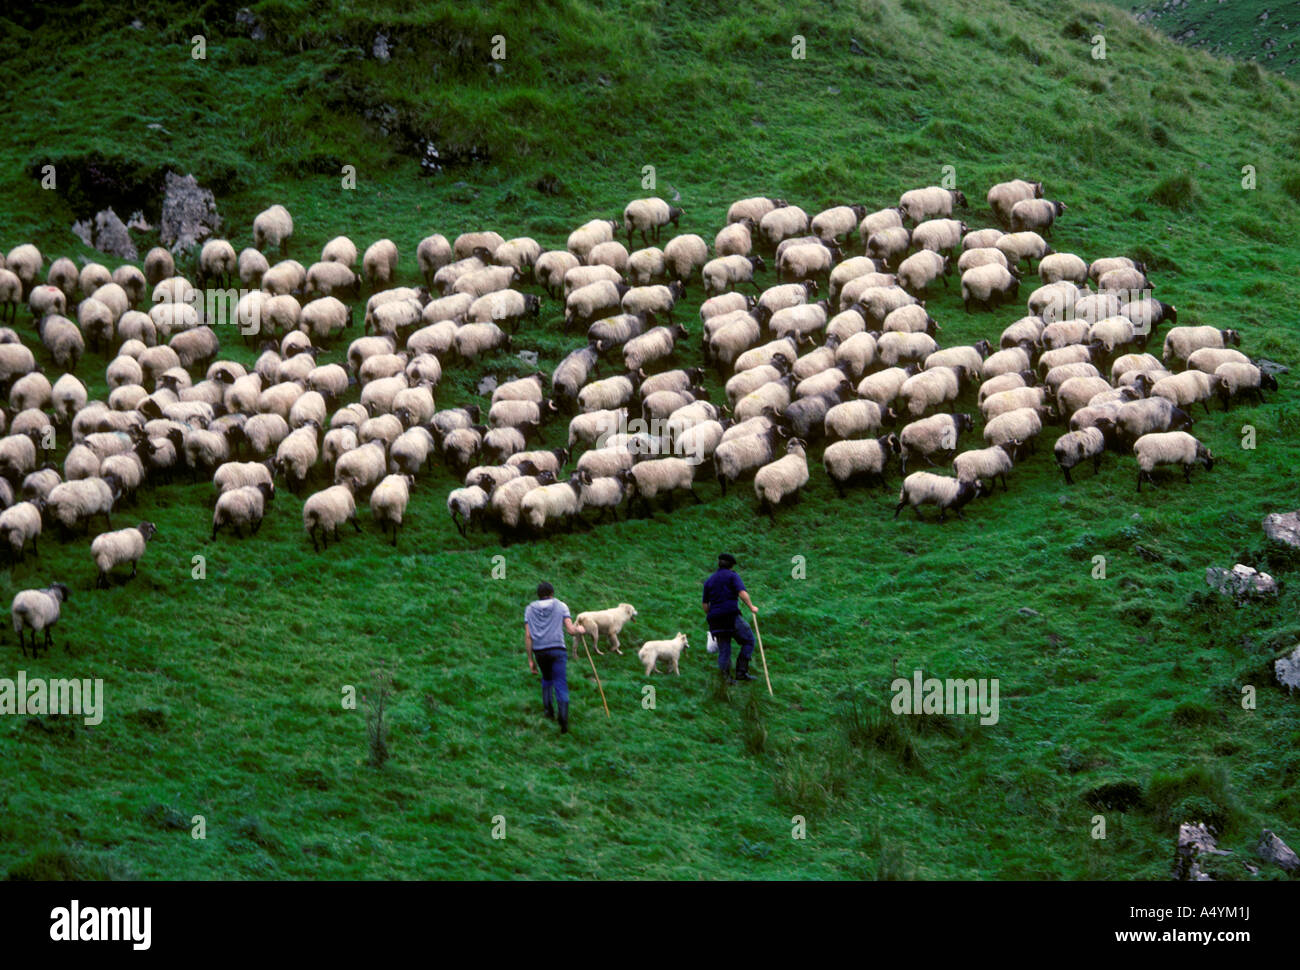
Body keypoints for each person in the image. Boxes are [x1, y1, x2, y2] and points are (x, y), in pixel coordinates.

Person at [524, 581, 586, 733]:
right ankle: (563, 719)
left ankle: (548, 712)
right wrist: (581, 629)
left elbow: (528, 635)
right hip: (558, 649)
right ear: (552, 593)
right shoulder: (561, 606)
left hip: (540, 651)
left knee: (546, 679)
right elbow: (571, 630)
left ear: (539, 595)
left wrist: (530, 660)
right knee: (560, 683)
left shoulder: (529, 609)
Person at [702, 553, 759, 683]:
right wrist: (751, 607)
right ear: (732, 565)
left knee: (724, 648)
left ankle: (726, 678)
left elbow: (705, 605)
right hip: (730, 616)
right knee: (749, 640)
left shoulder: (709, 581)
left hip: (715, 620)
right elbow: (742, 593)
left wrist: (714, 615)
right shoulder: (732, 576)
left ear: (718, 564)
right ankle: (741, 672)